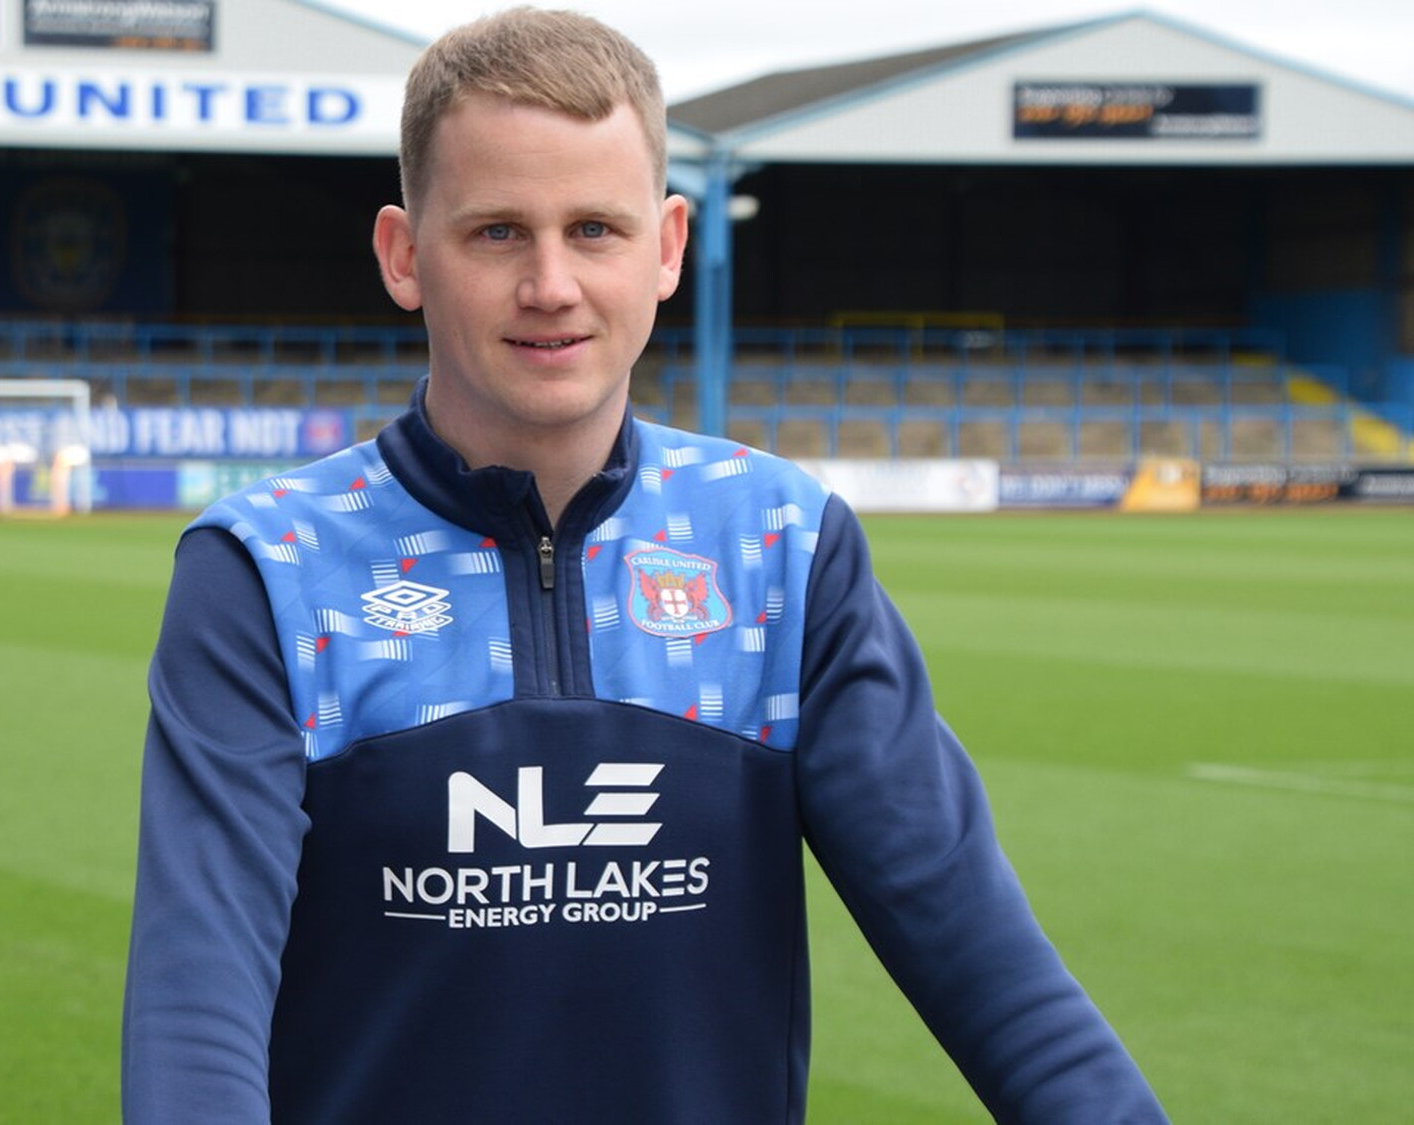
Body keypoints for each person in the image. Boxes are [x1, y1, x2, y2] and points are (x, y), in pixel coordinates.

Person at [122, 8, 1167, 1123]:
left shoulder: (778, 544)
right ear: (401, 254)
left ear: (666, 246)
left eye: (594, 230)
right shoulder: (267, 567)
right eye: (494, 234)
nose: (550, 284)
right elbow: (197, 999)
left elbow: (978, 950)